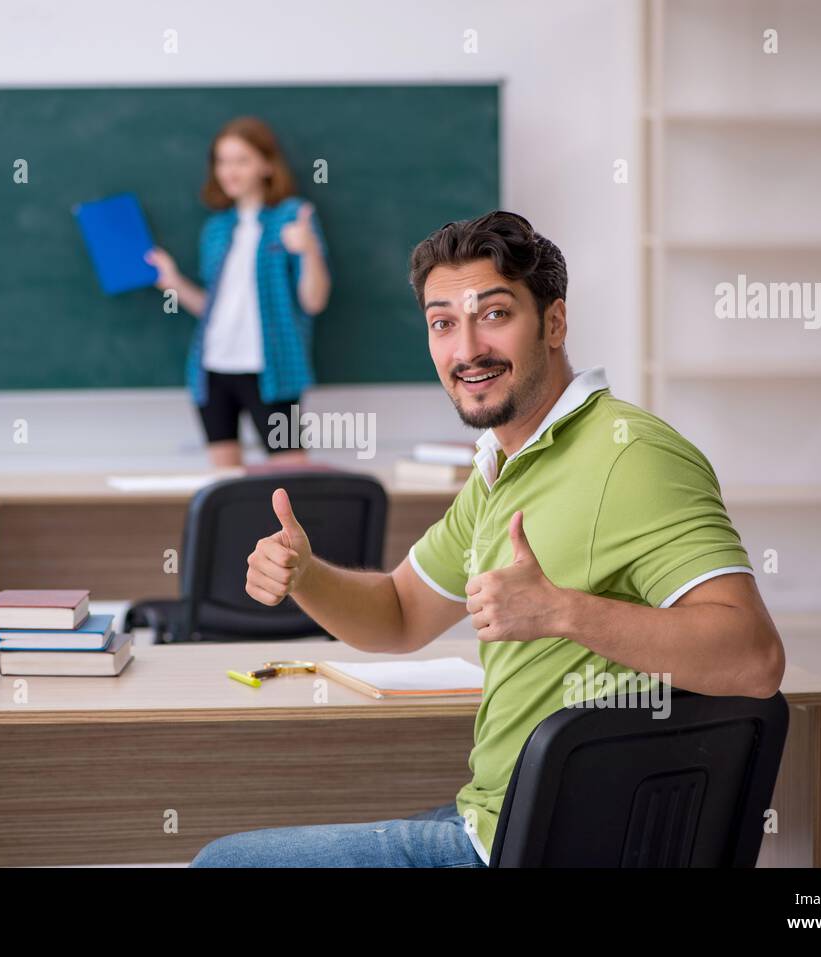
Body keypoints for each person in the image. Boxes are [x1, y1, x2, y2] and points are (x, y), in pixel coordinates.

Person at [189, 210, 786, 867]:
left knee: (225, 862)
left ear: (553, 323)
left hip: (545, 843)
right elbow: (400, 612)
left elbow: (754, 659)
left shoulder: (632, 454)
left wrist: (562, 611)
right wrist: (307, 574)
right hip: (502, 813)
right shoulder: (503, 465)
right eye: (443, 323)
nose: (466, 348)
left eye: (494, 314)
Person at [145, 116, 331, 467]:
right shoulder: (216, 228)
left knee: (292, 476)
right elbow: (213, 309)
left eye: (241, 160)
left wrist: (309, 251)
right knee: (225, 485)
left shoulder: (293, 217)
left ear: (265, 164)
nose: (229, 171)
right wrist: (174, 283)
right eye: (222, 161)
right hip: (212, 370)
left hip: (274, 370)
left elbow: (314, 300)